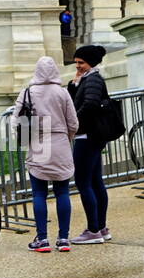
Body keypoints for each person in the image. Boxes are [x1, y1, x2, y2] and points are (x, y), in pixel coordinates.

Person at [11, 56, 78, 252]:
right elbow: (73, 123)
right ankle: (64, 238)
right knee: (63, 192)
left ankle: (42, 239)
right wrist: (67, 137)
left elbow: (16, 122)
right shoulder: (62, 93)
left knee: (39, 193)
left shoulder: (27, 92)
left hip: (38, 145)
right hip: (60, 144)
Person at [68, 44, 112, 244]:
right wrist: (74, 85)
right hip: (93, 136)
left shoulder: (93, 79)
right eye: (76, 62)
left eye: (81, 63)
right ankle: (101, 228)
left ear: (90, 63)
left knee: (84, 182)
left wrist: (73, 122)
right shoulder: (88, 78)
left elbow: (90, 104)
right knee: (95, 182)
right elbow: (78, 99)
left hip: (87, 136)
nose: (77, 67)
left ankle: (93, 229)